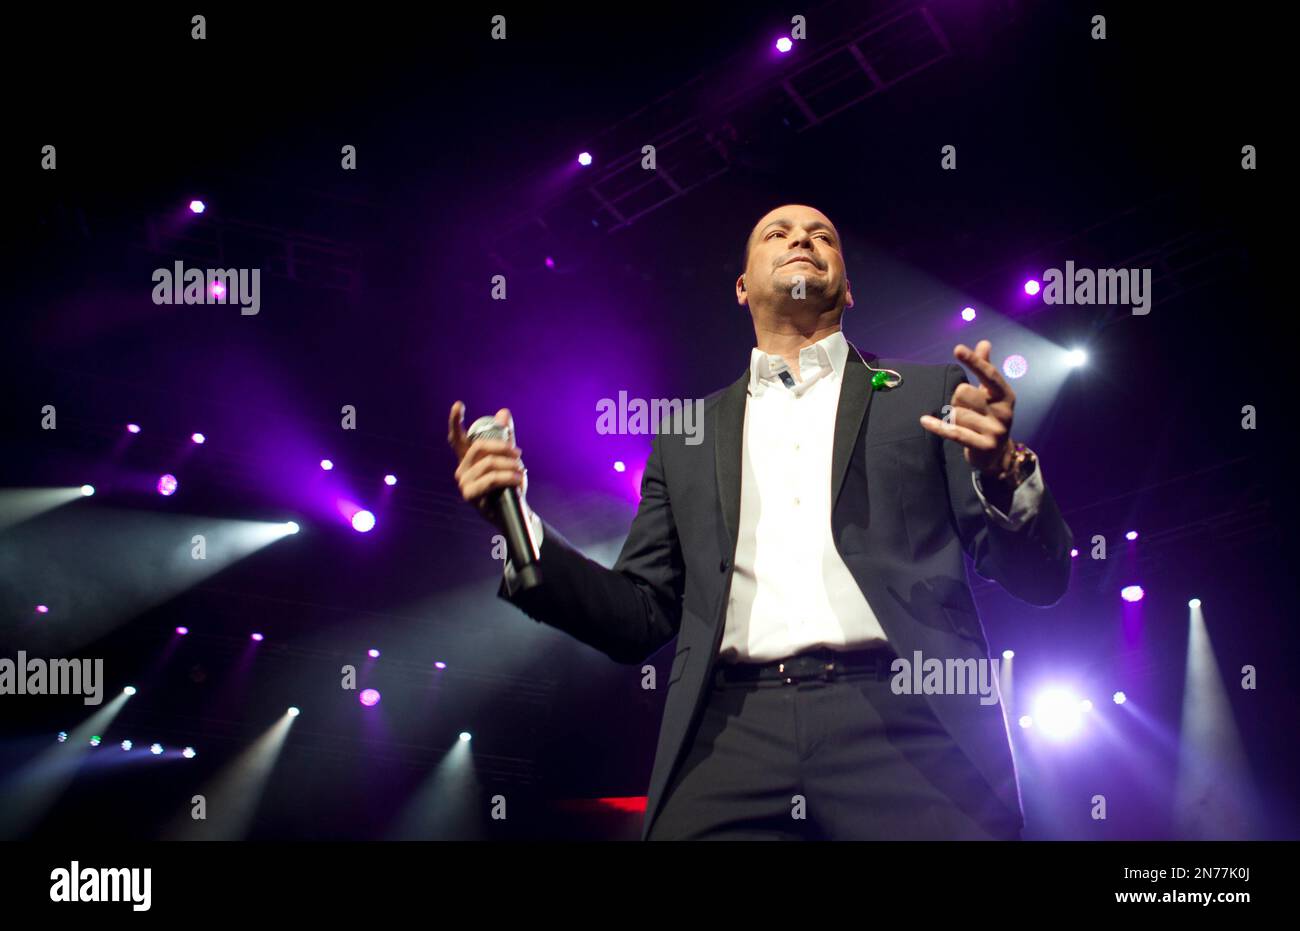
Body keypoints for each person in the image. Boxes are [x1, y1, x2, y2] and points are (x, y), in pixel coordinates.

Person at [449, 204, 1072, 840]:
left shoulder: (925, 393)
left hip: (904, 720)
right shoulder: (687, 438)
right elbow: (640, 614)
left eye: (822, 235)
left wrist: (1004, 470)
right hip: (729, 732)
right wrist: (518, 523)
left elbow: (1038, 578)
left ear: (847, 288)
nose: (802, 237)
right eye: (777, 234)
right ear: (742, 286)